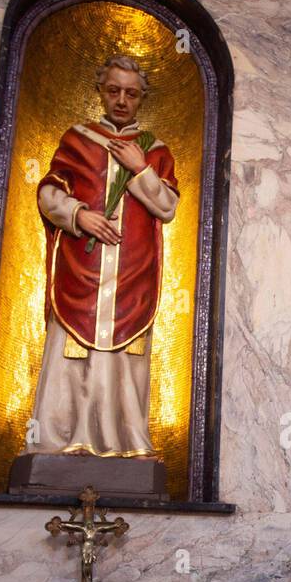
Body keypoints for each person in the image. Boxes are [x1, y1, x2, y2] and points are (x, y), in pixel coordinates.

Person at [28, 54, 179, 458]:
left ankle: (125, 442)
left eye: (131, 93)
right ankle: (57, 443)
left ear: (141, 99)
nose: (122, 100)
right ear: (101, 91)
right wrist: (80, 216)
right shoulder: (77, 139)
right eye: (114, 91)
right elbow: (47, 194)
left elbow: (166, 207)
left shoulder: (156, 151)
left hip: (132, 277)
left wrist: (140, 169)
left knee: (124, 363)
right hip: (82, 274)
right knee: (70, 353)